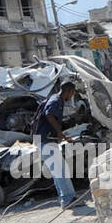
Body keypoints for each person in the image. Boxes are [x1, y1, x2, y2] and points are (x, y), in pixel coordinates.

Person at [30, 81, 78, 209]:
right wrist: (59, 133)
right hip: (45, 141)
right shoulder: (56, 100)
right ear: (69, 91)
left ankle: (67, 198)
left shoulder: (56, 99)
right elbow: (49, 114)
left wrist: (60, 135)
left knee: (59, 170)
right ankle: (67, 199)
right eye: (72, 93)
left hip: (45, 140)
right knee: (60, 171)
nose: (71, 96)